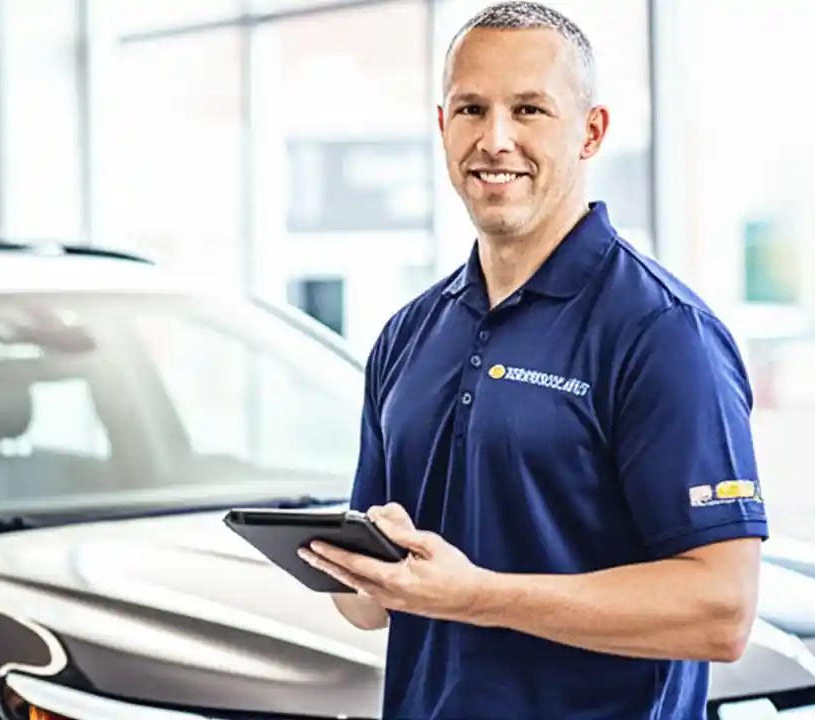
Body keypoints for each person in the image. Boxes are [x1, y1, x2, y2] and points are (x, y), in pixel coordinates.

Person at [295, 2, 768, 719]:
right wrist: (349, 564)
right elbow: (369, 612)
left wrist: (477, 594)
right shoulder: (406, 336)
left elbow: (720, 611)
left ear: (591, 131)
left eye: (529, 110)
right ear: (441, 124)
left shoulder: (661, 333)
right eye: (471, 109)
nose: (495, 139)